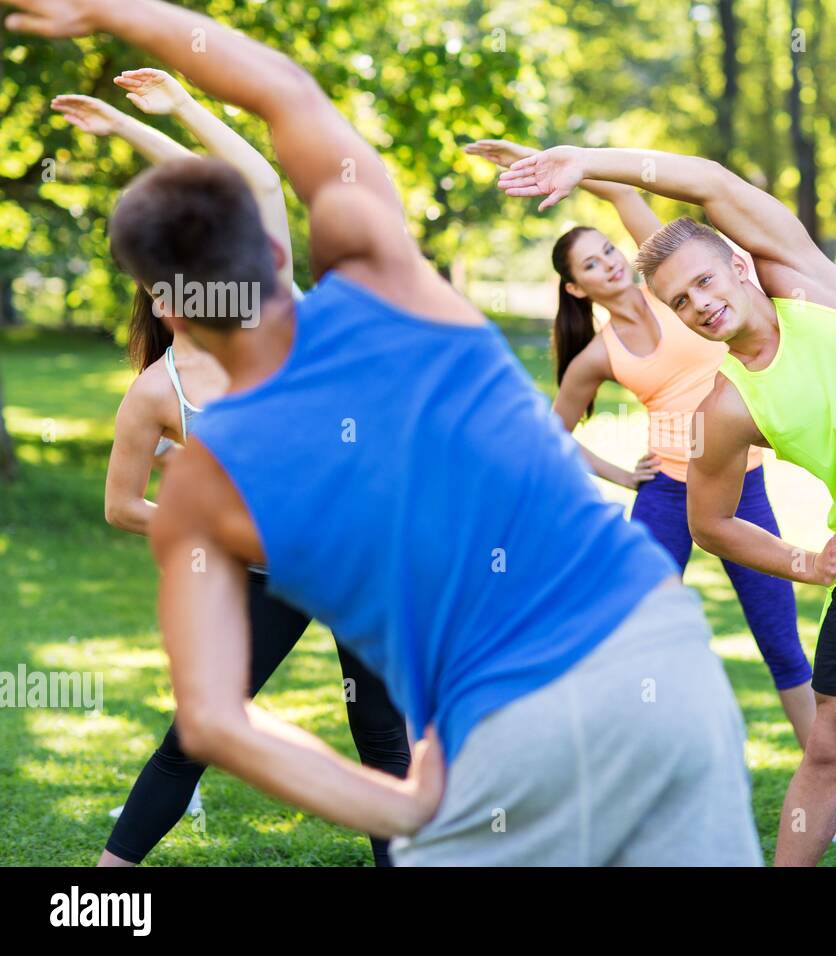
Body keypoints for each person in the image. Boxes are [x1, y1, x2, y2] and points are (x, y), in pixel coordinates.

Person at [9, 0, 761, 866]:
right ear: (277, 253)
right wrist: (116, 11)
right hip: (653, 653)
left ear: (168, 304)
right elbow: (287, 93)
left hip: (497, 730)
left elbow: (216, 722)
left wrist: (409, 807)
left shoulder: (201, 489)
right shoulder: (385, 278)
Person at [499, 144, 836, 866]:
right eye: (681, 301)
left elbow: (709, 183)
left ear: (739, 266)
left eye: (705, 282)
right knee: (833, 745)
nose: (700, 304)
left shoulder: (812, 285)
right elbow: (709, 523)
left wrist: (584, 162)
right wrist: (804, 561)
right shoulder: (727, 406)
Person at [56, 71, 411, 867]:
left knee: (382, 734)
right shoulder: (157, 394)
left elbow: (251, 180)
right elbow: (122, 506)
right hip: (264, 574)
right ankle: (106, 884)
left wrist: (165, 112)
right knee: (196, 728)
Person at [468, 140, 836, 837]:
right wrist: (622, 476)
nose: (610, 263)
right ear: (578, 288)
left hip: (743, 490)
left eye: (609, 253)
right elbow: (550, 433)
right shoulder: (597, 354)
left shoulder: (671, 286)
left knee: (781, 643)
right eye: (591, 265)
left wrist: (564, 163)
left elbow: (624, 195)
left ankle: (832, 795)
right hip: (666, 499)